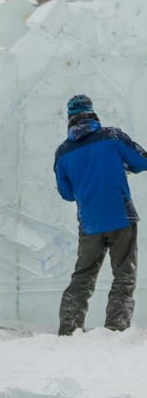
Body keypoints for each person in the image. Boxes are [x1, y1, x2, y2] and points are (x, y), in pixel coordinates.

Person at [55, 94, 147, 335]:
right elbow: (142, 161)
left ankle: (69, 330)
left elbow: (66, 193)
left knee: (82, 277)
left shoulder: (62, 152)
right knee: (124, 276)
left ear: (70, 118)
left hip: (89, 222)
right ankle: (116, 329)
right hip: (121, 216)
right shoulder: (112, 136)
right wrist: (122, 166)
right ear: (91, 112)